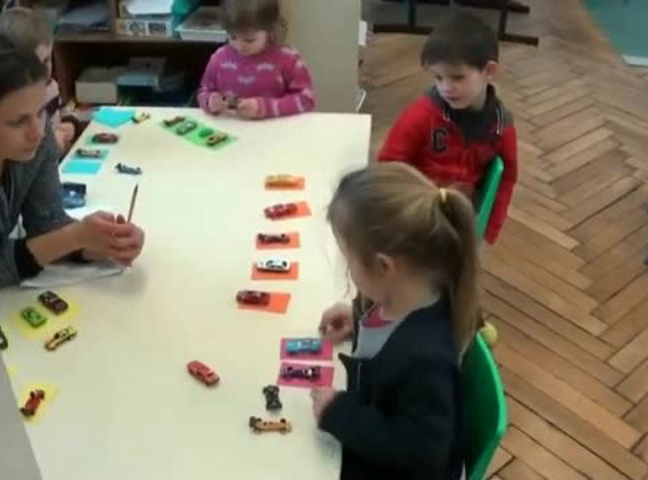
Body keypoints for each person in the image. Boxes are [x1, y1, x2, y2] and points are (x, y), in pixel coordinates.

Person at [311, 162, 477, 479]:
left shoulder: (426, 358)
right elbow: (388, 343)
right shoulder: (409, 298)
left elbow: (423, 454)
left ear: (385, 267)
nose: (347, 269)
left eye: (348, 259)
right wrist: (359, 320)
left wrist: (341, 413)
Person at [0, 35, 144, 289]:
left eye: (40, 113)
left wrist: (106, 243)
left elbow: (47, 224)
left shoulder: (37, 139)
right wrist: (76, 235)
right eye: (17, 121)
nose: (37, 131)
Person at [377, 12, 517, 244]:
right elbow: (389, 165)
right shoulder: (421, 114)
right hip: (416, 216)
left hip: (460, 224)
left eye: (457, 77)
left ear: (489, 72)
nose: (446, 88)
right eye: (438, 77)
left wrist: (489, 231)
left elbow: (506, 178)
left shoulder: (502, 126)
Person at [197, 0, 317, 120]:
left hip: (276, 130)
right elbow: (204, 91)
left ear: (270, 30)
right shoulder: (219, 58)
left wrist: (264, 108)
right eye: (232, 37)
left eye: (249, 40)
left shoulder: (288, 59)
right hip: (231, 129)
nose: (240, 46)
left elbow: (306, 99)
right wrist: (209, 101)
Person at [0, 7, 78, 152]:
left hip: (61, 159)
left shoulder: (51, 86)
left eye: (47, 60)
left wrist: (71, 124)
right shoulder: (13, 105)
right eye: (36, 64)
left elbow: (64, 111)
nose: (44, 70)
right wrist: (49, 145)